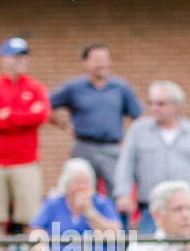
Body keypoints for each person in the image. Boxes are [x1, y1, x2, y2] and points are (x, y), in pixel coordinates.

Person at [113, 81, 190, 234]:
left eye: (160, 104)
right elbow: (125, 165)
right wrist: (123, 194)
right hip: (153, 210)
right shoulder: (138, 131)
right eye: (151, 103)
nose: (154, 108)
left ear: (176, 106)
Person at [48, 43, 143, 195]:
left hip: (112, 148)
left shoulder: (121, 87)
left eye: (105, 59)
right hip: (83, 147)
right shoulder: (74, 88)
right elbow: (45, 105)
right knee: (82, 189)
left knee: (117, 192)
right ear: (85, 63)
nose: (102, 64)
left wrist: (130, 142)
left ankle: (115, 219)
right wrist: (63, 125)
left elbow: (138, 117)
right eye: (97, 59)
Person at [0, 37, 50, 233]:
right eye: (15, 56)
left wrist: (9, 114)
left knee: (31, 219)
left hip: (26, 162)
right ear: (3, 59)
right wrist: (25, 115)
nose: (21, 60)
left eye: (24, 56)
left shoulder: (35, 88)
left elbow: (41, 116)